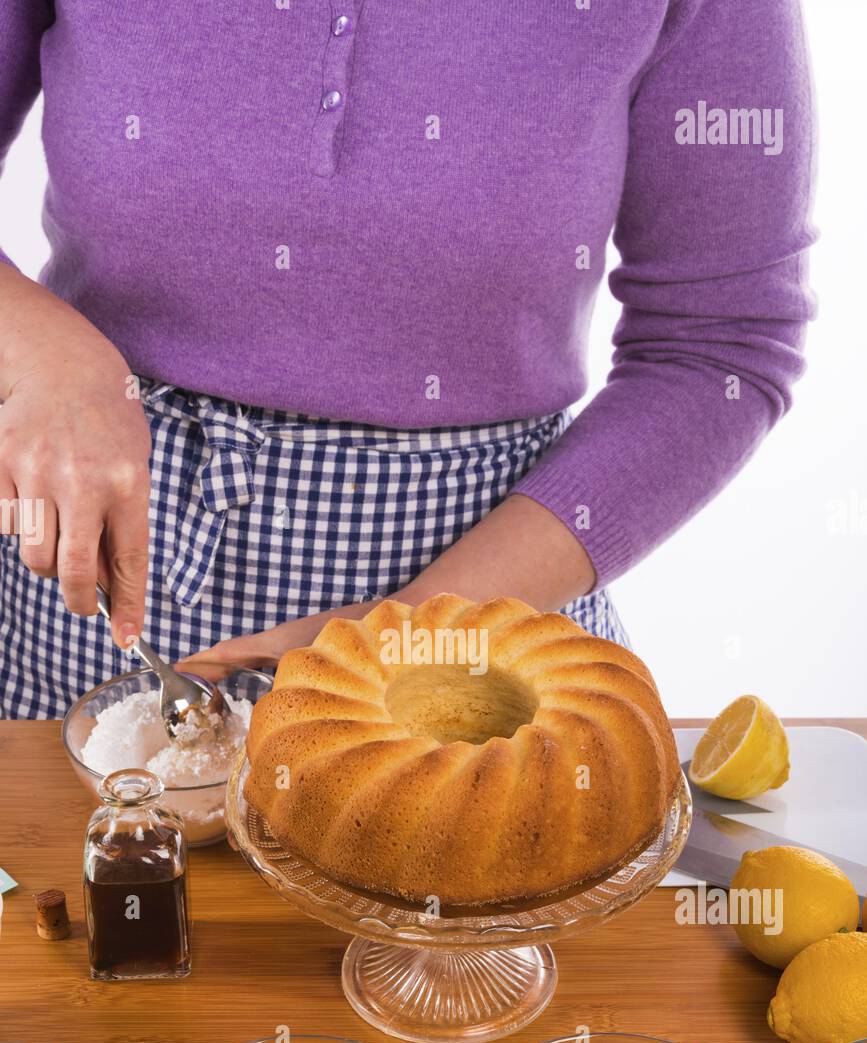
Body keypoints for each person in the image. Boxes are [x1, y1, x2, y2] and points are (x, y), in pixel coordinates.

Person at [0, 1, 815, 717]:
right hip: (73, 607)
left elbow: (720, 343)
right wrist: (40, 351)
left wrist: (421, 627)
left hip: (483, 618)